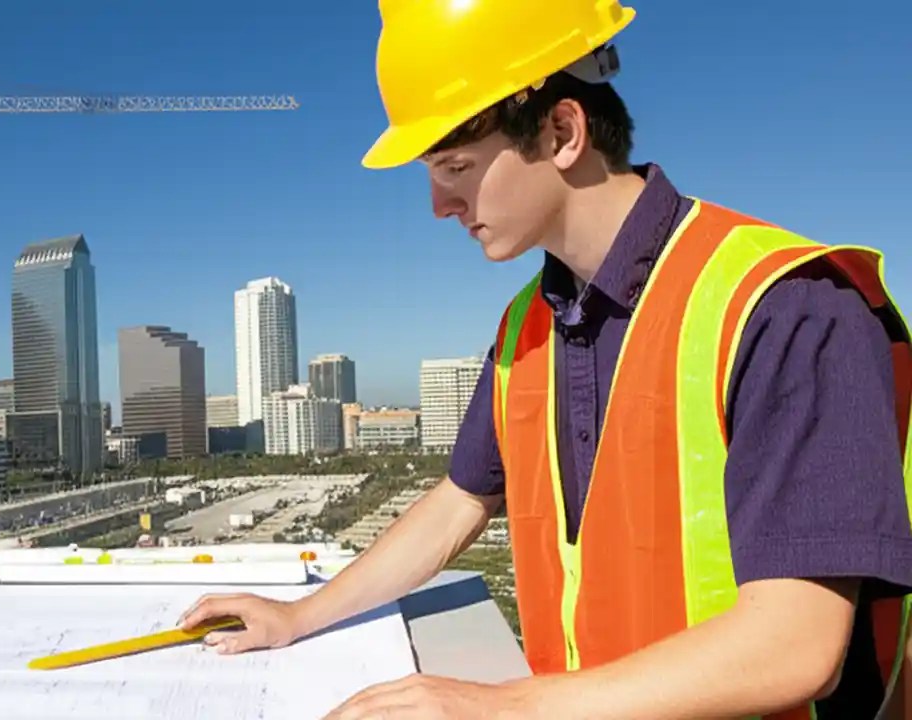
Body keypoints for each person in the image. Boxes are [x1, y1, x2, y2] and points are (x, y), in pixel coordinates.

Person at [181, 1, 912, 718]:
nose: (439, 204)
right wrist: (299, 617)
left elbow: (795, 643)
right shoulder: (527, 325)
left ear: (563, 130)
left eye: (456, 165)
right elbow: (459, 503)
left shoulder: (785, 309)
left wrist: (503, 708)